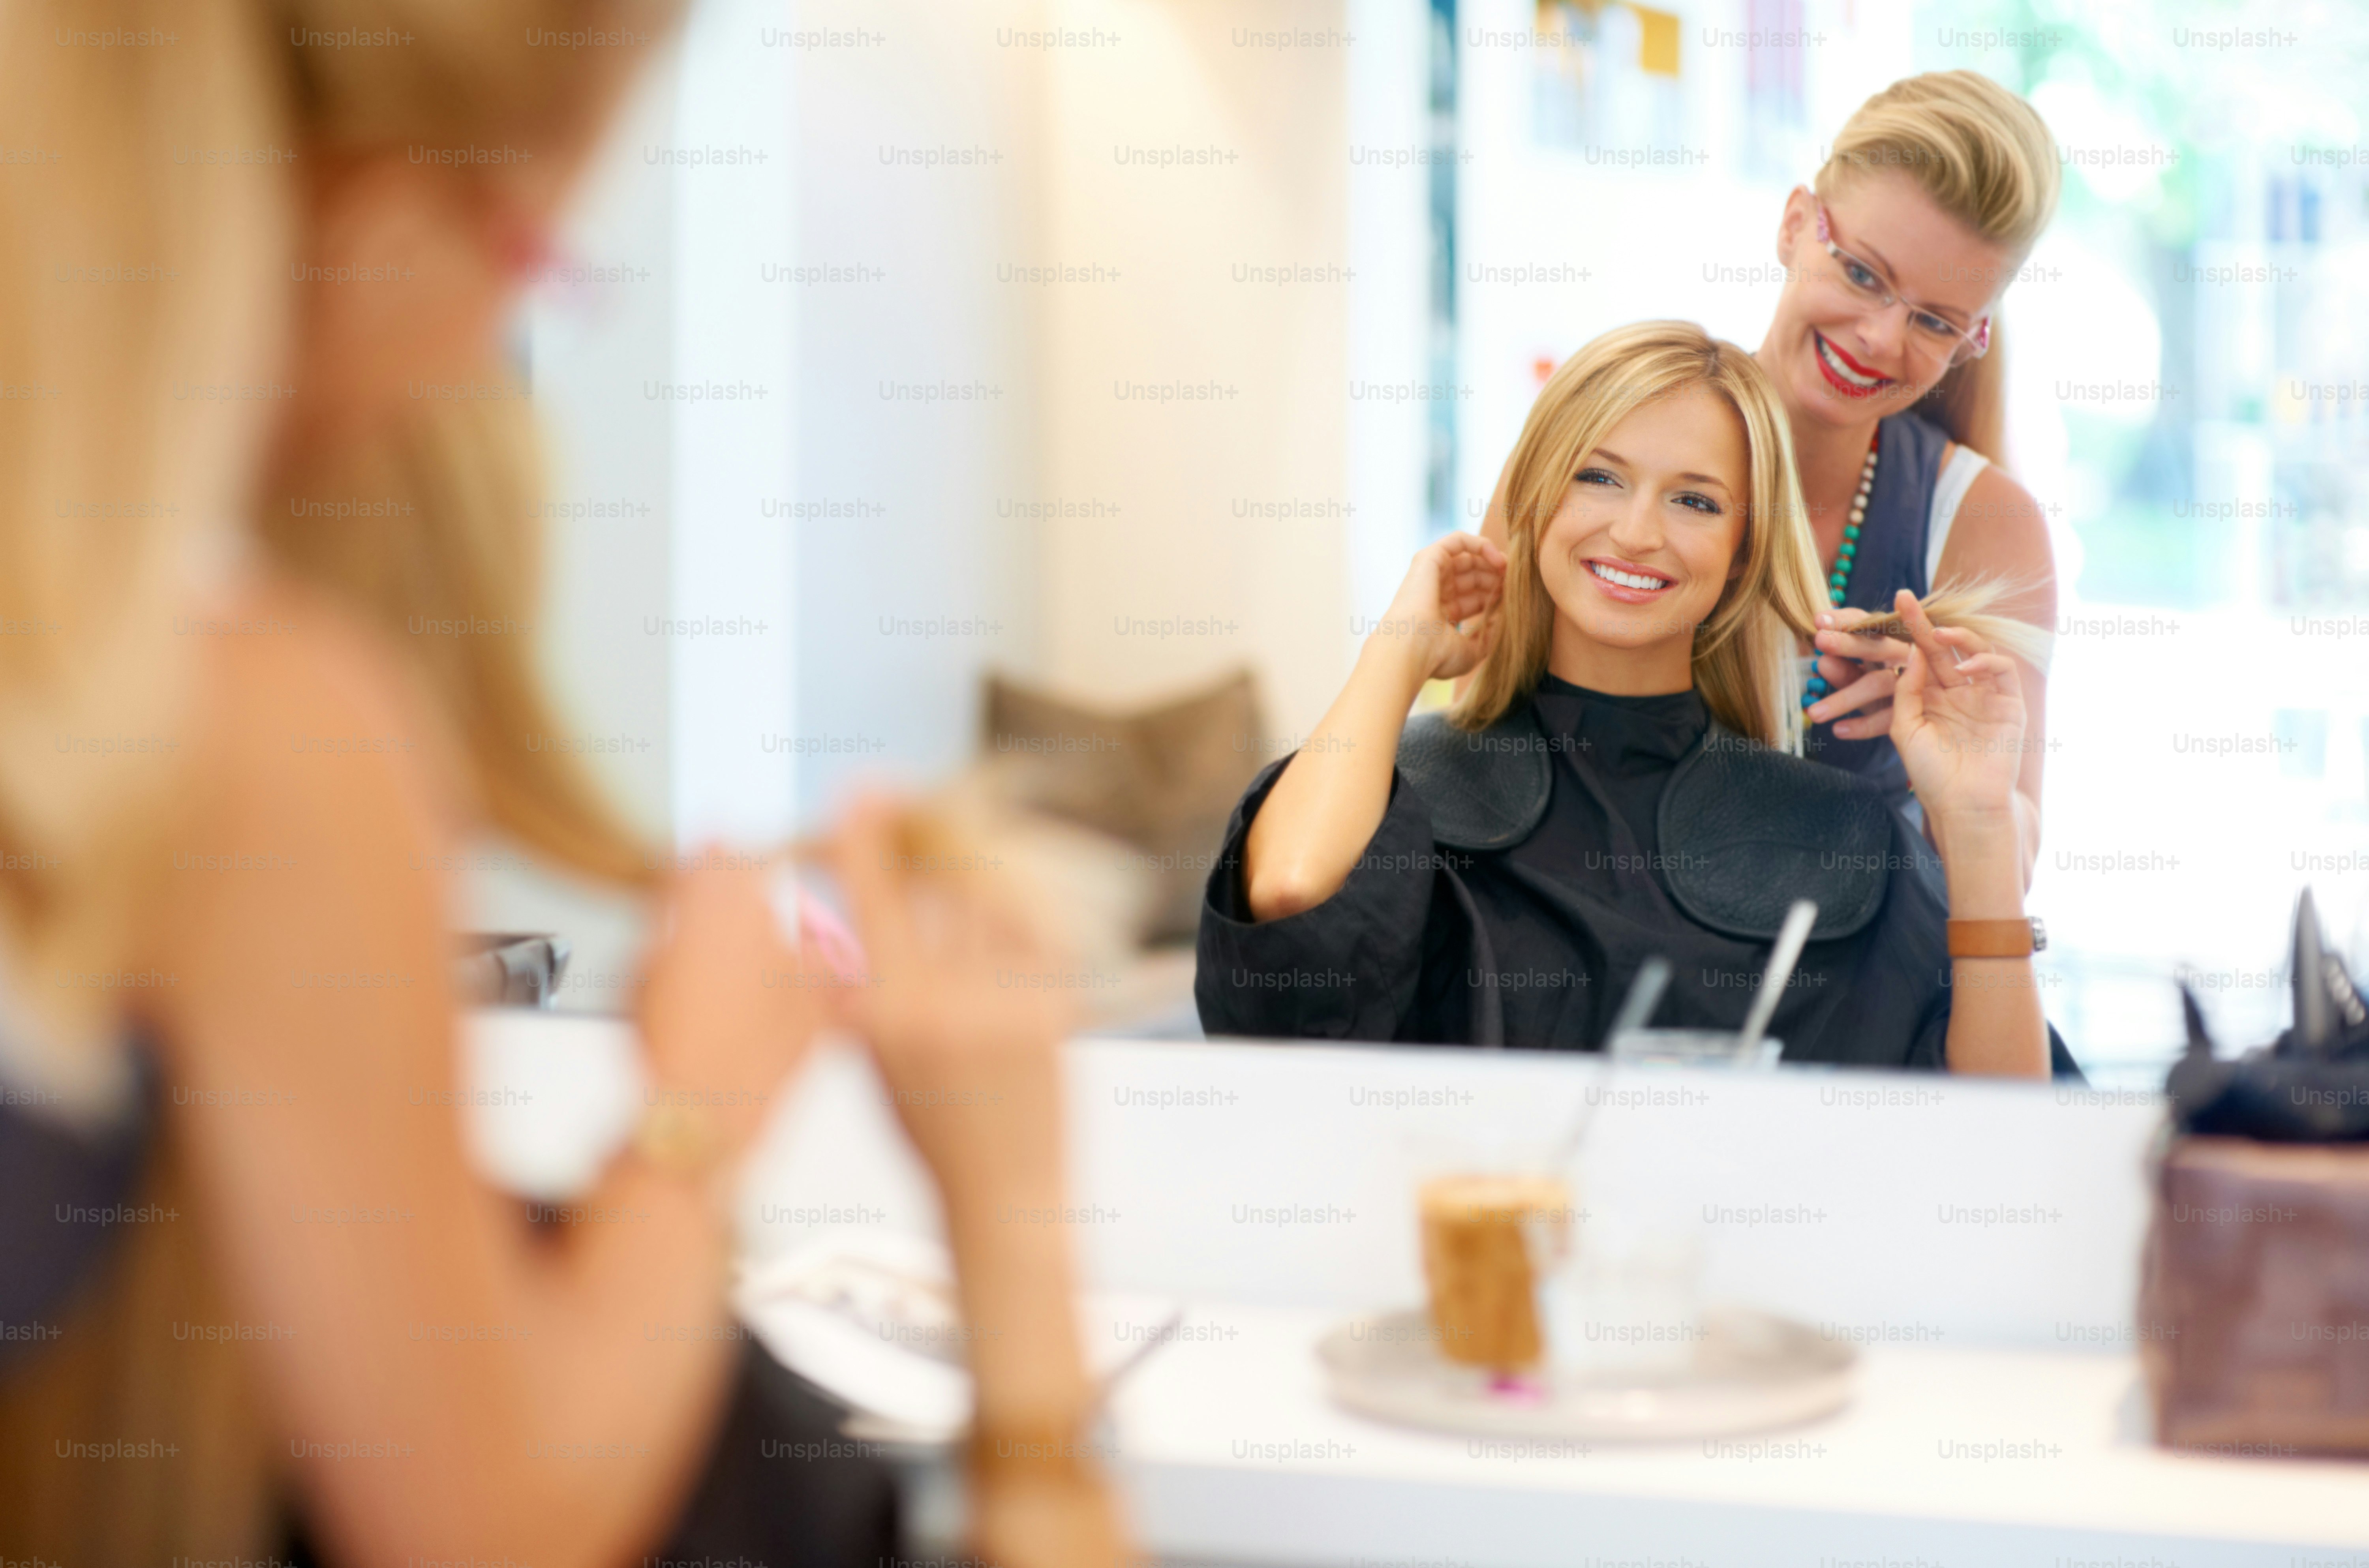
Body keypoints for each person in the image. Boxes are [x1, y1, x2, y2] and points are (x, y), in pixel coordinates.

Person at [0, 4, 1124, 1567]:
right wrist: (708, 1118)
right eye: (534, 259)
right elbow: (488, 1527)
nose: (482, 352)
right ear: (380, 199)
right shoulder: (253, 727)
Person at [1200, 322, 2069, 1077]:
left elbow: (2003, 1126)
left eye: (1694, 500)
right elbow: (1287, 891)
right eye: (1599, 478)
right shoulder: (1398, 795)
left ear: (1742, 549)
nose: (1637, 531)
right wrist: (1399, 651)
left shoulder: (1839, 835)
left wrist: (1982, 826)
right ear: (1535, 500)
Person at [1481, 71, 2062, 874]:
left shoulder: (1985, 526)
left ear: (1975, 340)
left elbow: (2012, 870)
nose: (1880, 340)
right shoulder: (1601, 435)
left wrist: (1955, 771)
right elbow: (1480, 719)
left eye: (1933, 321)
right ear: (1795, 225)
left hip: (1845, 989)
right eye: (1862, 273)